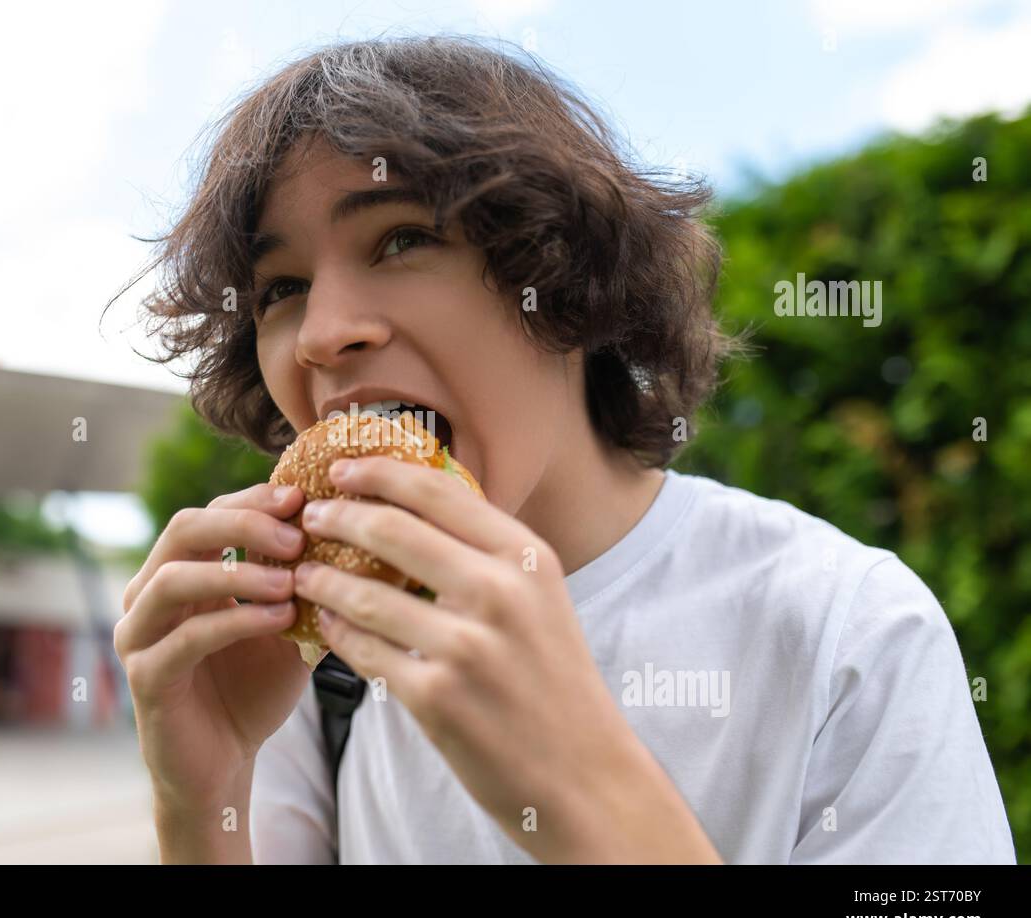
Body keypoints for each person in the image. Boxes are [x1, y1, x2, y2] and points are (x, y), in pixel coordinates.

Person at [112, 35, 1017, 864]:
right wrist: (204, 802)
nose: (321, 333)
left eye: (401, 238)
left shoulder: (848, 630)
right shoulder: (313, 668)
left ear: (561, 274)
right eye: (281, 288)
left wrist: (586, 795)